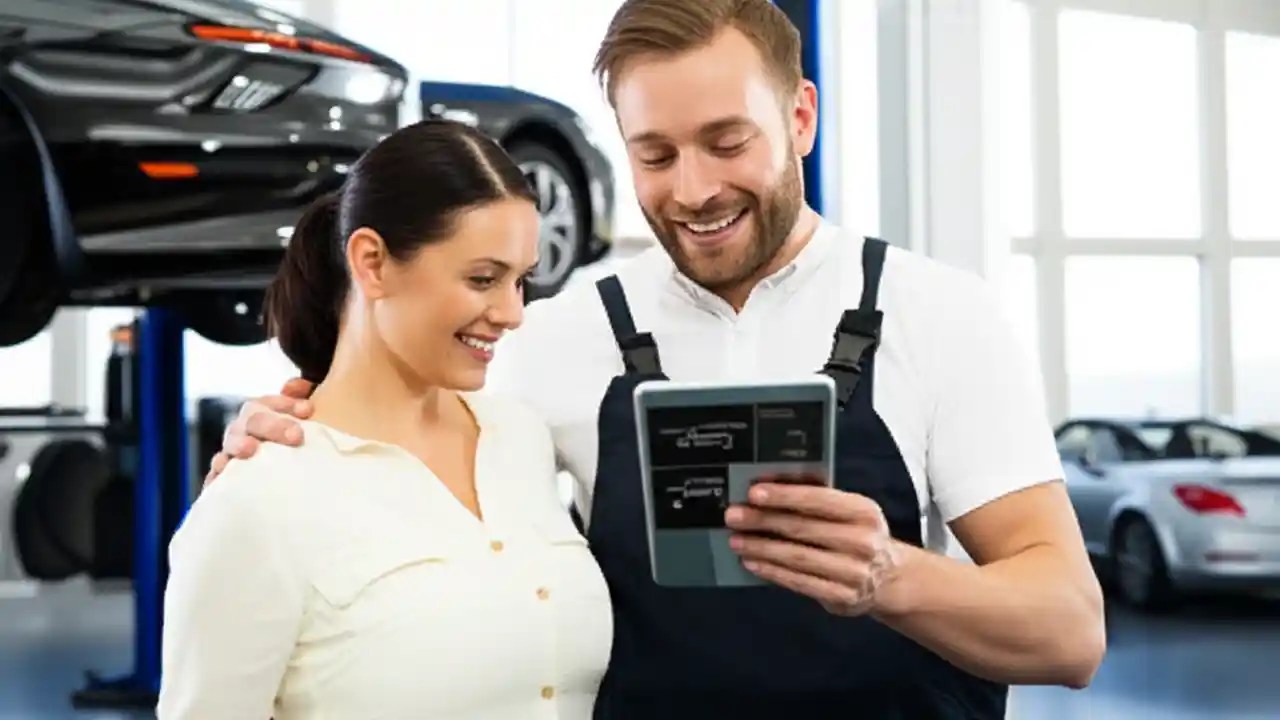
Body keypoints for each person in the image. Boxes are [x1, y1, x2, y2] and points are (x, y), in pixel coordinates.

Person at [208, 0, 1106, 717]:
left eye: (727, 142)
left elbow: (1069, 634)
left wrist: (892, 577)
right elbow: (383, 458)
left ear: (800, 117)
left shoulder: (939, 314)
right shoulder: (550, 341)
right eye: (656, 154)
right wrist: (277, 442)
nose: (694, 190)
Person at [158, 120, 613, 719]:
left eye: (521, 280)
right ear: (372, 263)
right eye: (483, 278)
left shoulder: (520, 439)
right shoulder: (260, 500)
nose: (512, 313)